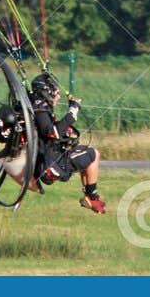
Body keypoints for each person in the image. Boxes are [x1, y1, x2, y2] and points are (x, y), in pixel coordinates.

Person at [28, 71, 104, 213]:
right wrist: (72, 112)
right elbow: (52, 132)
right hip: (52, 163)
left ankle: (89, 196)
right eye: (55, 92)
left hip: (53, 155)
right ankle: (92, 197)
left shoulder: (38, 106)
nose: (58, 95)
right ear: (46, 92)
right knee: (93, 154)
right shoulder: (40, 110)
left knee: (85, 154)